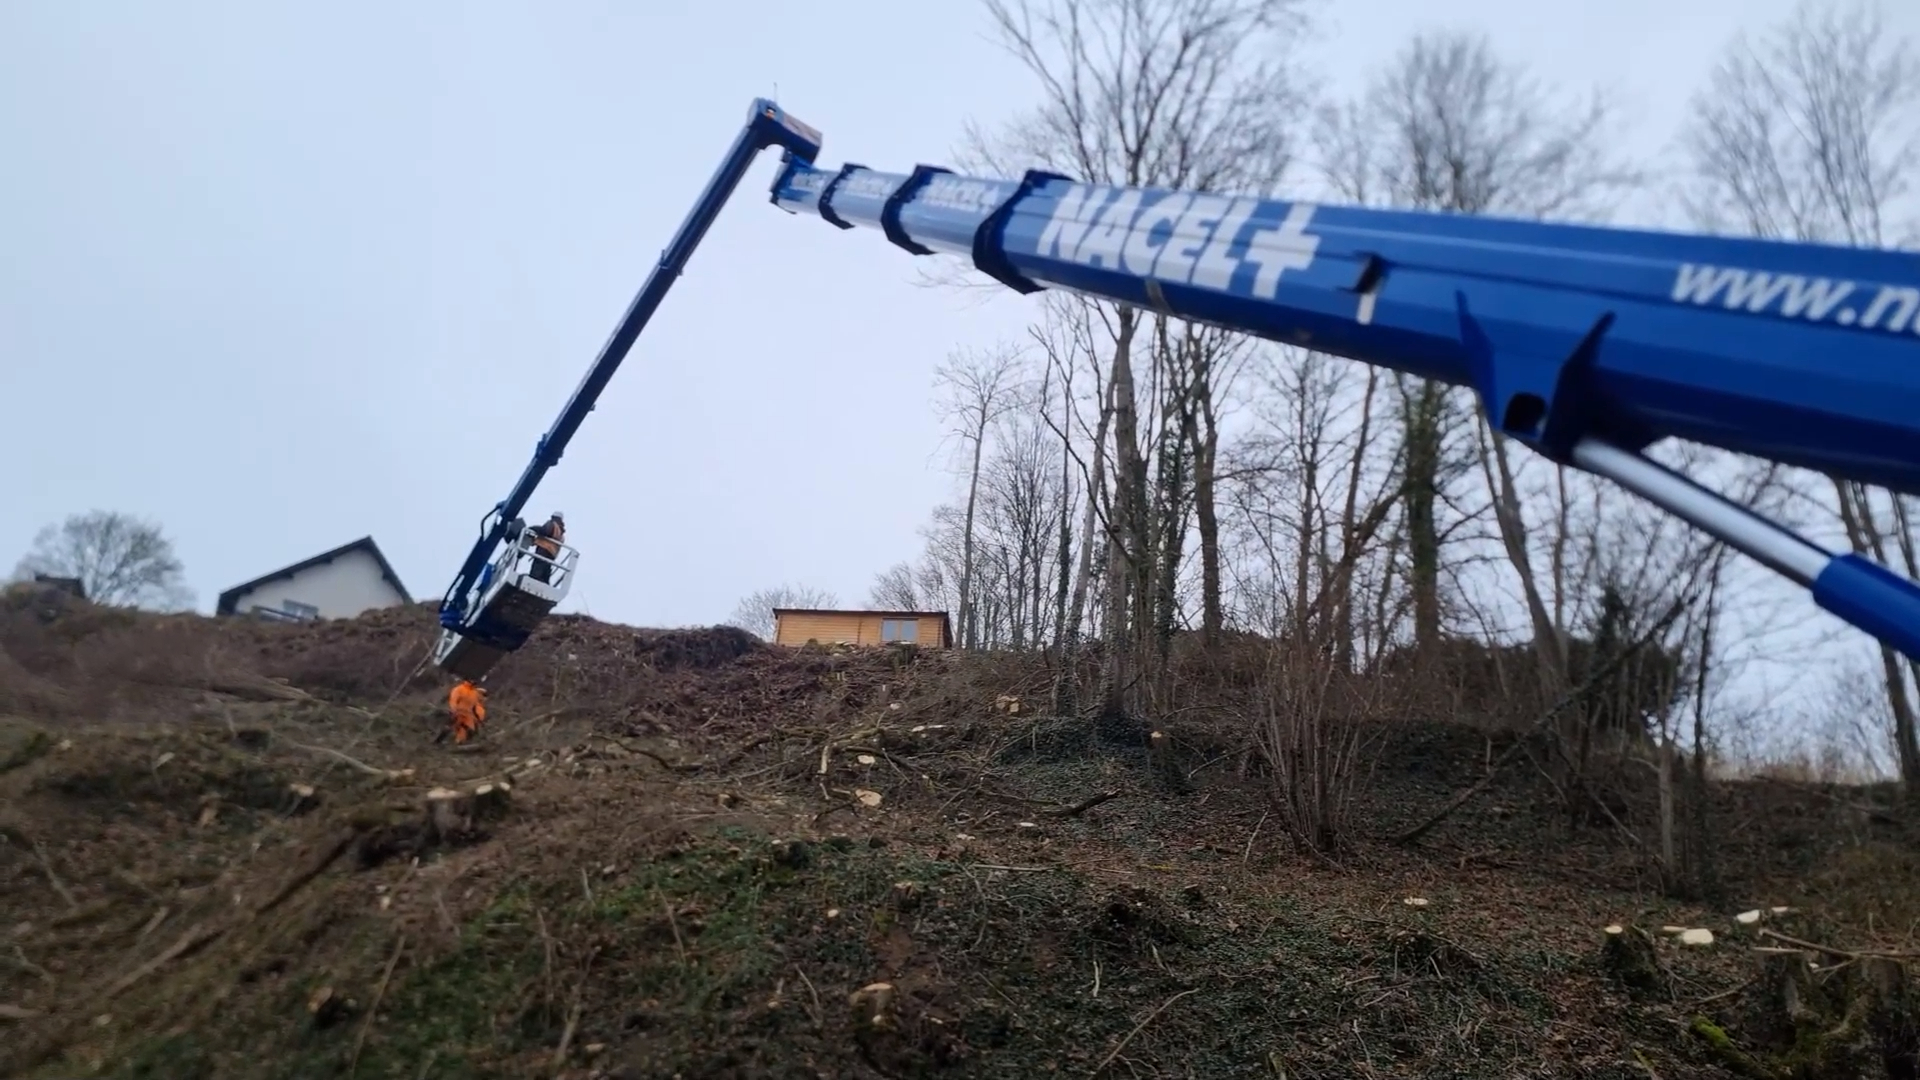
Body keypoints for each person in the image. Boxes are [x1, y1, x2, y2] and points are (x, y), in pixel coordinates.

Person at [446, 679, 487, 744]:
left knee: (469, 730)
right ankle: (440, 741)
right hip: (458, 712)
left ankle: (460, 743)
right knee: (452, 727)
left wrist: (477, 718)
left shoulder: (474, 693)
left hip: (468, 714)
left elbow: (474, 706)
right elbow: (453, 700)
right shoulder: (459, 689)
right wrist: (453, 710)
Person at [529, 511, 565, 583]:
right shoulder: (561, 533)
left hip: (543, 550)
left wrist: (533, 528)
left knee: (537, 569)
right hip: (551, 554)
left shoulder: (553, 524)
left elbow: (545, 531)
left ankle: (533, 581)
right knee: (546, 570)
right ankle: (544, 582)